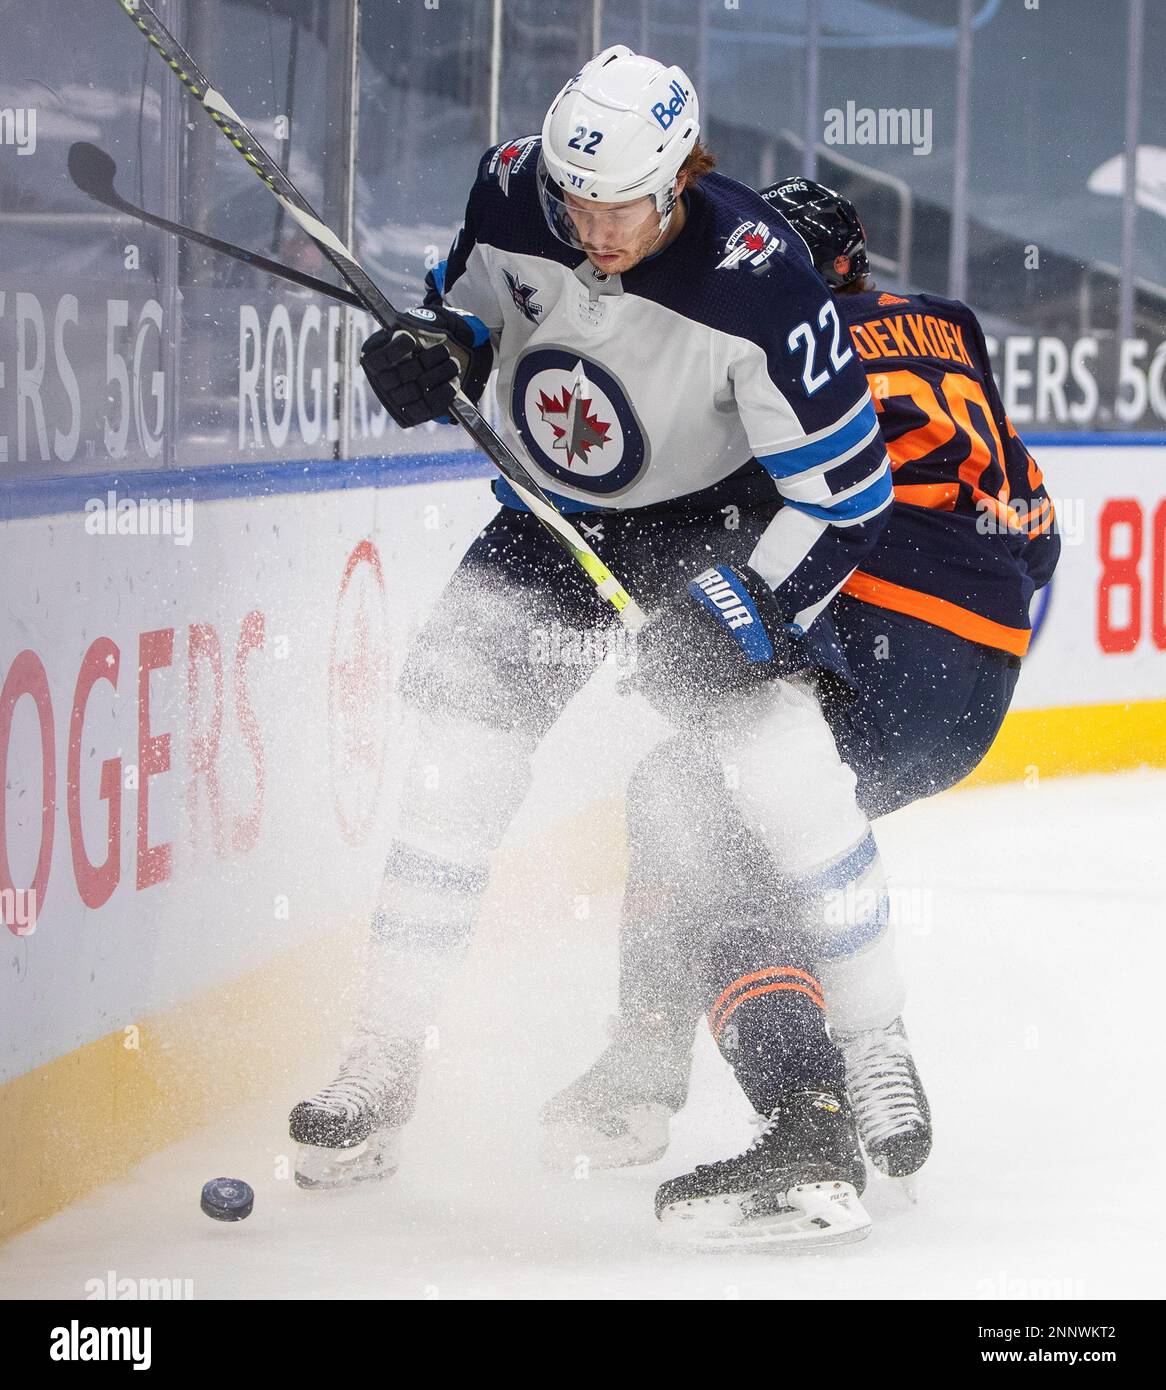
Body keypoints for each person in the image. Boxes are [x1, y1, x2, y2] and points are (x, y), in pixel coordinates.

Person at [289, 51, 898, 1247]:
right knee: (452, 772)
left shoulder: (760, 276)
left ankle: (875, 1050)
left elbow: (852, 496)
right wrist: (437, 355)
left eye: (617, 204)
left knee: (787, 774)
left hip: (712, 530)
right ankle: (382, 1058)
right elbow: (463, 309)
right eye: (576, 202)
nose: (590, 228)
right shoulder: (516, 190)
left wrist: (749, 608)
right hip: (549, 523)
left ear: (679, 177)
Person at [541, 177, 1060, 1217]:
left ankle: (797, 1115)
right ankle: (845, 1058)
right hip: (978, 679)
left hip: (878, 634)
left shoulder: (782, 349)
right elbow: (1034, 532)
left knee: (705, 819)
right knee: (705, 799)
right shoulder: (946, 331)